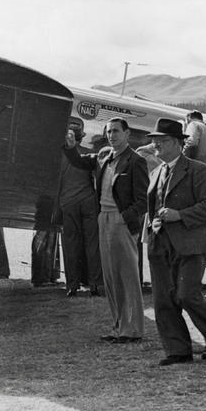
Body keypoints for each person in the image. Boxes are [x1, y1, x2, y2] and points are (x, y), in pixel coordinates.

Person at [143, 119, 206, 366]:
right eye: (154, 140)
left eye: (163, 140)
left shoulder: (198, 170)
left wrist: (181, 215)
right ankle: (178, 351)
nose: (156, 144)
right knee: (163, 301)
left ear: (179, 143)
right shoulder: (156, 171)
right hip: (160, 244)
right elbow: (152, 208)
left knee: (187, 294)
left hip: (190, 244)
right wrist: (151, 228)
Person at [63, 118, 149, 343]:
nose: (112, 135)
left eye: (117, 131)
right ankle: (120, 326)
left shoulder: (135, 161)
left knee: (127, 276)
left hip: (121, 222)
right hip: (103, 219)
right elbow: (80, 162)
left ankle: (133, 330)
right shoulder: (103, 156)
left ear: (127, 134)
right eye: (109, 132)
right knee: (110, 277)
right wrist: (71, 147)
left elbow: (143, 201)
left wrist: (124, 218)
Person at [58, 128, 101, 297]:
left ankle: (72, 285)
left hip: (68, 202)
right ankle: (94, 284)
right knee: (92, 243)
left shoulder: (61, 155)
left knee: (70, 244)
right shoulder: (88, 154)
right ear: (80, 139)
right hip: (88, 201)